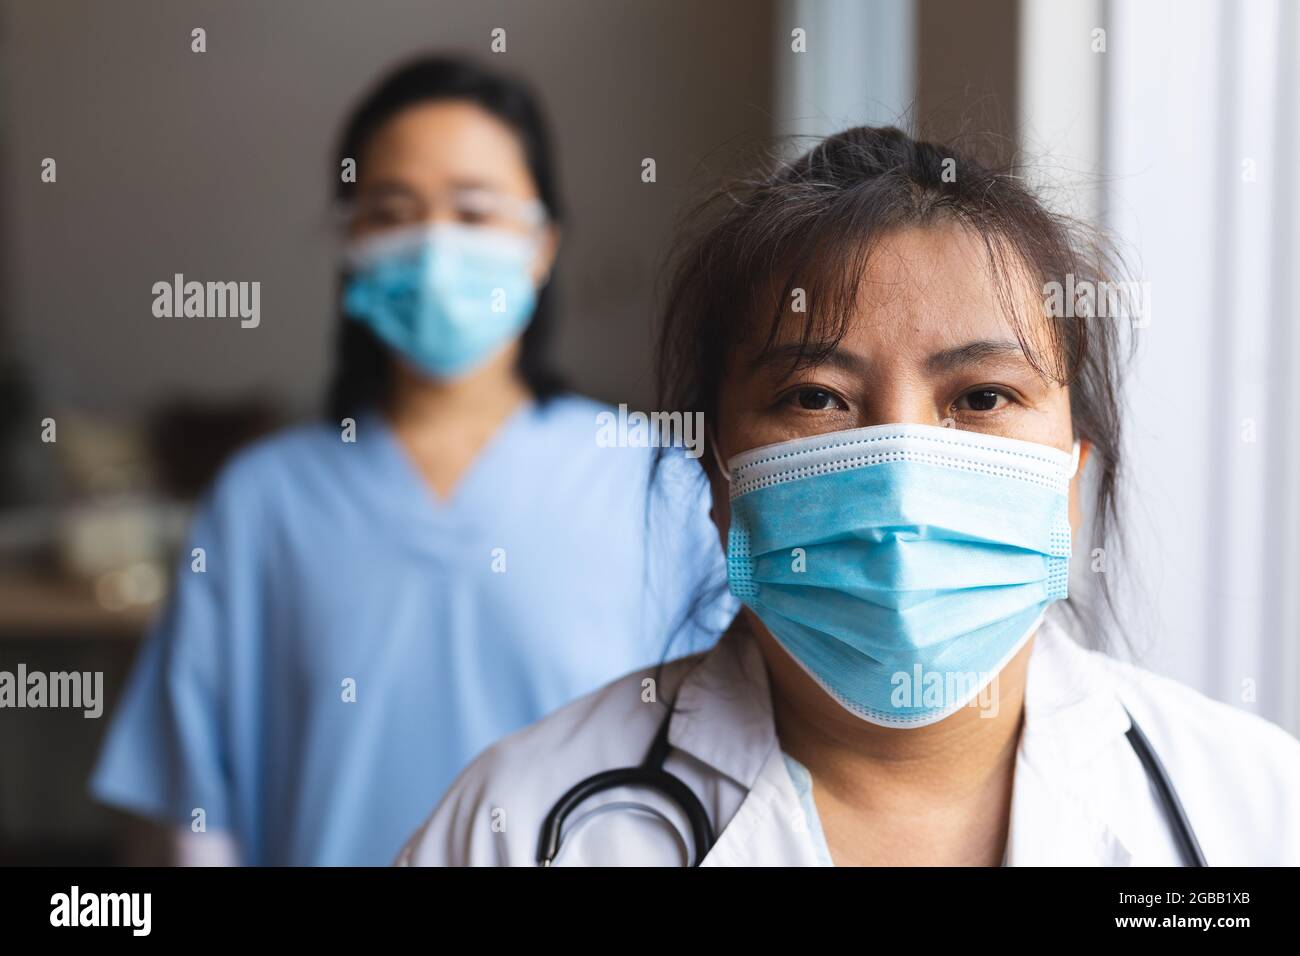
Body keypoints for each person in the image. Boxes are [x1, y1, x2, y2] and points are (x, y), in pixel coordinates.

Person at [397, 126, 1300, 866]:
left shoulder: (1254, 813)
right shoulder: (510, 828)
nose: (899, 464)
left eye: (983, 397)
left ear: (1072, 472)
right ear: (719, 480)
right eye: (816, 398)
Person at [89, 55, 728, 866]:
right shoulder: (259, 504)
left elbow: (725, 765)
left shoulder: (655, 485)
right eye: (392, 211)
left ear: (542, 244)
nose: (435, 247)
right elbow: (198, 821)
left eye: (474, 210)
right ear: (350, 239)